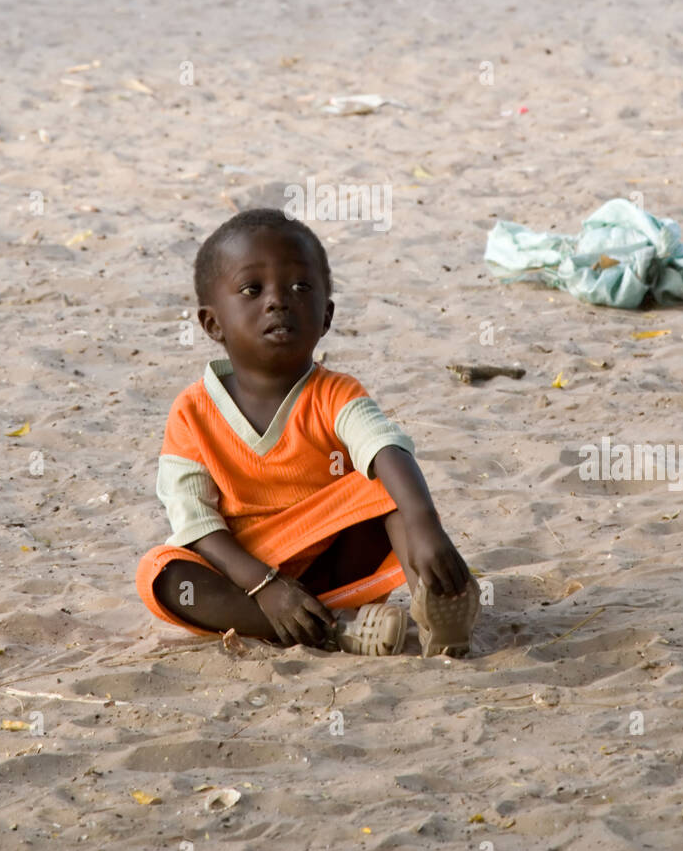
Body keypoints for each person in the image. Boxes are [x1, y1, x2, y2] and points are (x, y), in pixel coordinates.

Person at [135, 208, 480, 656]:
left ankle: (434, 602)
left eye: (300, 287)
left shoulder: (335, 393)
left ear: (326, 315)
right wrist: (267, 586)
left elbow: (384, 445)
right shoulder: (191, 413)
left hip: (337, 560)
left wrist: (426, 525)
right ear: (213, 323)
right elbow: (197, 523)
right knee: (160, 574)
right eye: (251, 290)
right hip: (247, 576)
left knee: (388, 485)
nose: (278, 301)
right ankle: (335, 629)